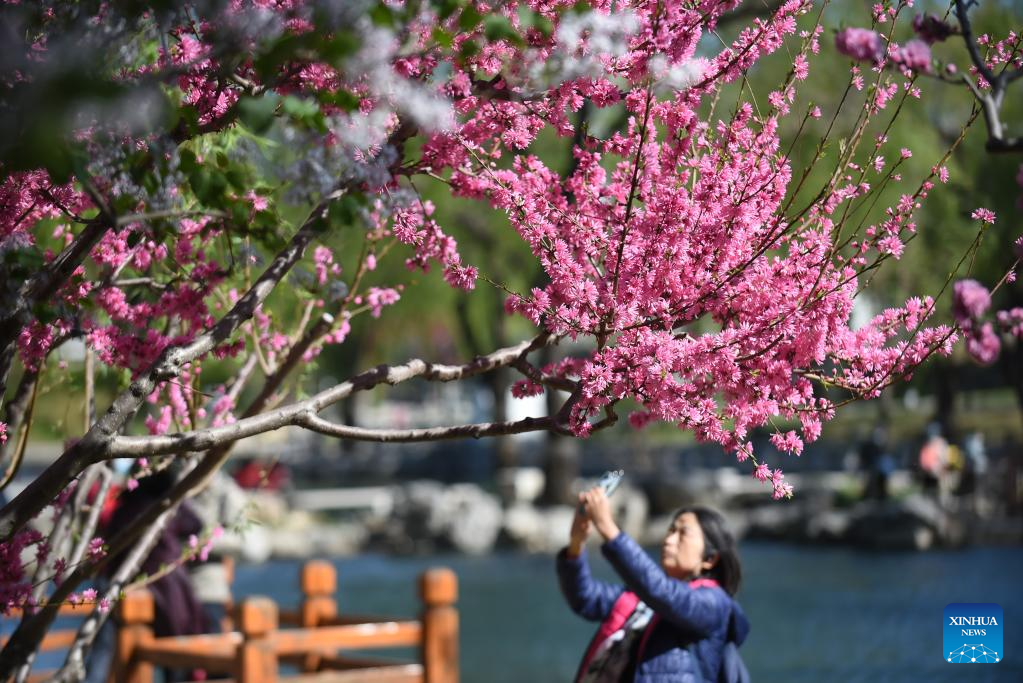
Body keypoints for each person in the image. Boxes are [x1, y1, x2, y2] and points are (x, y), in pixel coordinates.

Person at [558, 487, 750, 682]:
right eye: (670, 530)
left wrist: (608, 528)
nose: (668, 539)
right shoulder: (638, 599)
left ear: (710, 558)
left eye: (683, 533)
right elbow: (584, 597)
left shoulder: (714, 604)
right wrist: (576, 543)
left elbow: (664, 593)